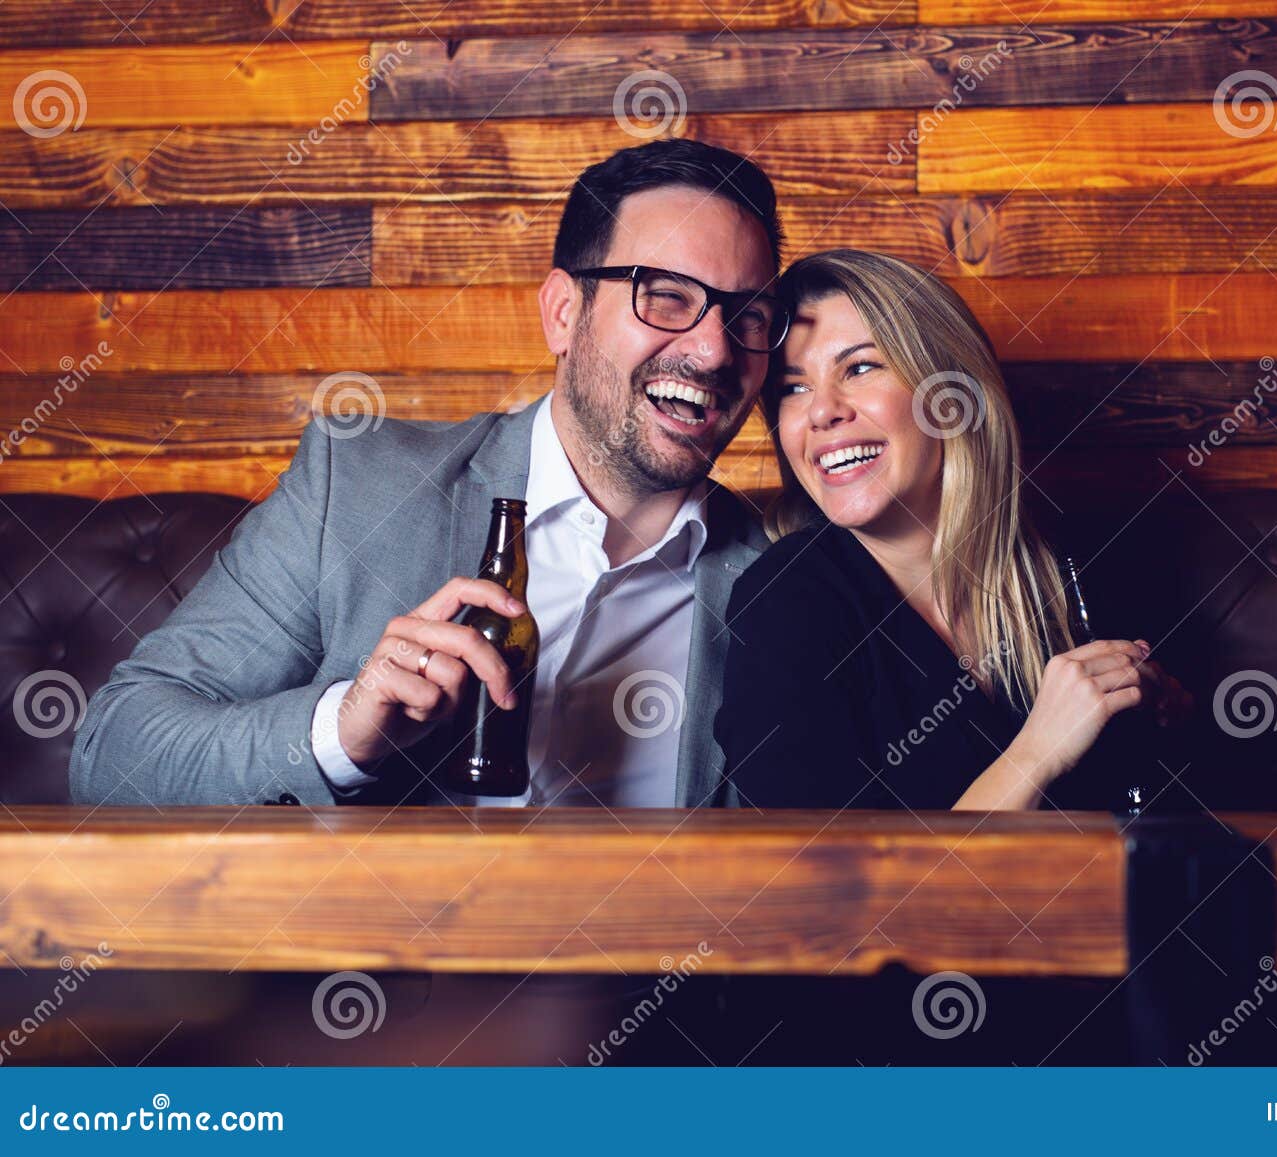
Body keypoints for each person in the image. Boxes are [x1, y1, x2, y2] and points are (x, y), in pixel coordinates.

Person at [70, 139, 788, 809]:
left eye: (749, 315)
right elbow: (112, 755)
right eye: (665, 294)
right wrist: (340, 734)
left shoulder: (782, 585)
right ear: (564, 313)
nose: (715, 350)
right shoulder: (354, 488)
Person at [714, 250, 1194, 811]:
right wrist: (1038, 752)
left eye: (860, 368)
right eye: (793, 388)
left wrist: (1172, 719)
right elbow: (833, 887)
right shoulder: (785, 603)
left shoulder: (1078, 561)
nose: (822, 411)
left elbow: (1169, 807)